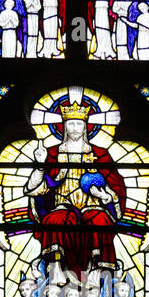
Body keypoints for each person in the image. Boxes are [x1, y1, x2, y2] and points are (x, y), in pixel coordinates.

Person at [25, 95, 126, 280]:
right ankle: (56, 273)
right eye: (70, 124)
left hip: (93, 205)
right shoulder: (52, 154)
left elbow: (115, 186)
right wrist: (40, 164)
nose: (75, 128)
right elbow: (34, 189)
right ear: (64, 127)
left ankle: (97, 275)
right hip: (62, 205)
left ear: (86, 127)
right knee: (55, 220)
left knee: (101, 221)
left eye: (79, 124)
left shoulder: (100, 154)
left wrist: (106, 197)